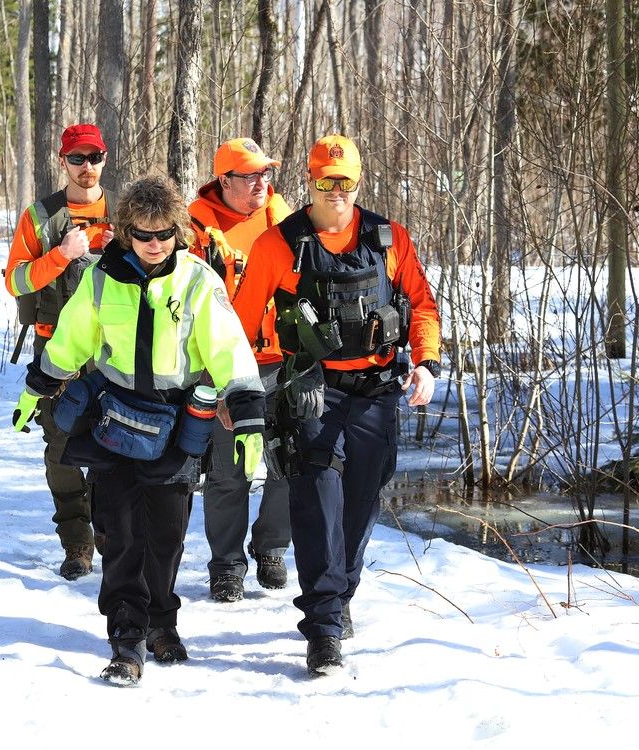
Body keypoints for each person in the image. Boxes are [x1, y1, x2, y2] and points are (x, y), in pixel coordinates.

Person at [12, 175, 266, 686]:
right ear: (126, 232)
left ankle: (162, 622)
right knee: (122, 533)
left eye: (164, 234)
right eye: (144, 234)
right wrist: (37, 387)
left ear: (179, 232)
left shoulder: (198, 281)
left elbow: (229, 349)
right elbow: (72, 339)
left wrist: (248, 415)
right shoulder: (101, 278)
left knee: (166, 536)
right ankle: (126, 637)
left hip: (176, 428)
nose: (154, 245)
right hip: (114, 420)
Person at [232, 135, 441, 677]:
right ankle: (323, 627)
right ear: (311, 181)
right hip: (311, 389)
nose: (337, 191)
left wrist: (426, 363)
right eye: (326, 181)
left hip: (376, 388)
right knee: (316, 497)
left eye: (346, 181)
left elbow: (421, 303)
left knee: (362, 497)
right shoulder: (281, 245)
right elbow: (238, 322)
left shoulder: (388, 238)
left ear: (359, 181)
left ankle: (341, 592)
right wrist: (238, 387)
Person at [4, 123, 117, 581]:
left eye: (94, 158)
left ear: (104, 160)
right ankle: (77, 543)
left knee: (118, 445)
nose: (86, 167)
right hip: (56, 347)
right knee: (61, 449)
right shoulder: (40, 217)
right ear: (62, 161)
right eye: (77, 158)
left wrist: (118, 251)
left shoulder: (123, 212)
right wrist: (62, 255)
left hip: (115, 351)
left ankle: (111, 536)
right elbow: (15, 280)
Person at [188, 138, 293, 602]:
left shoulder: (287, 222)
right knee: (230, 470)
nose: (261, 183)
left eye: (265, 174)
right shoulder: (194, 230)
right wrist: (210, 375)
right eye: (249, 175)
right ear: (224, 180)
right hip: (225, 366)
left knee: (291, 464)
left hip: (283, 362)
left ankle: (272, 546)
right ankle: (226, 564)